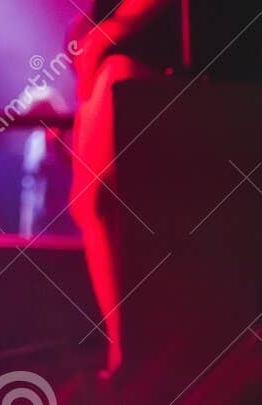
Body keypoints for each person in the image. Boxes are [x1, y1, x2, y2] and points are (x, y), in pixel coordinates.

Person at [69, 0, 192, 378]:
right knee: (92, 205)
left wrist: (102, 36)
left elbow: (121, 23)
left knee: (96, 203)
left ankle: (127, 344)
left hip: (133, 61)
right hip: (119, 61)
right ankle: (126, 342)